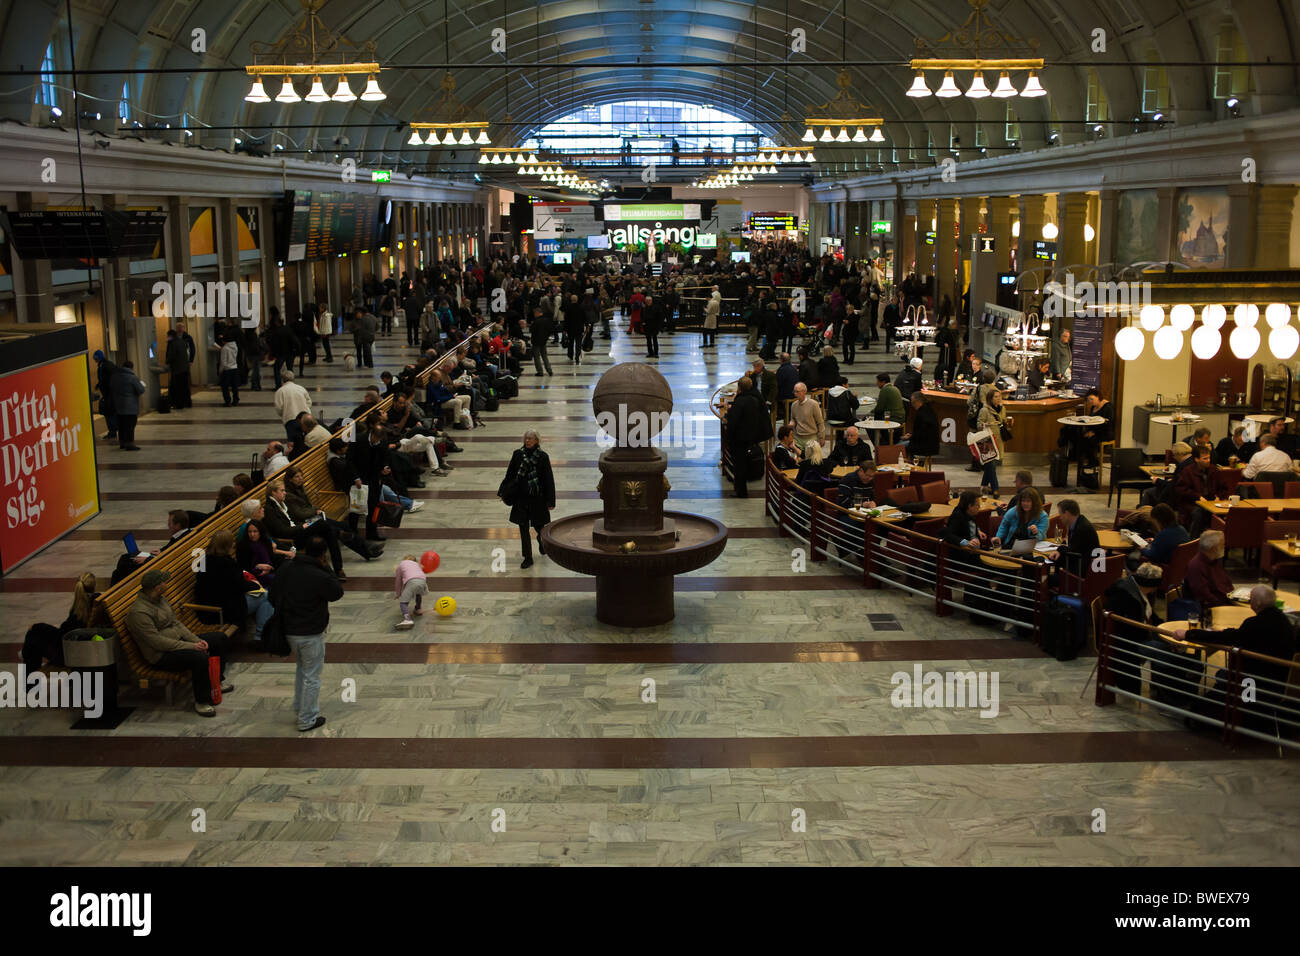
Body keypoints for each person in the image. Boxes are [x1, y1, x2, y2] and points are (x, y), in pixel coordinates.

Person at [125, 569, 232, 718]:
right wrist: (192, 646)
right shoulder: (139, 613)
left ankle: (217, 682)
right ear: (157, 587)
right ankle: (202, 701)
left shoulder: (161, 599)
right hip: (161, 656)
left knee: (219, 638)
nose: (166, 583)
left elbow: (177, 623)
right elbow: (157, 643)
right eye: (164, 581)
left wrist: (196, 640)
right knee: (199, 657)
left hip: (177, 643)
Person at [269, 534, 344, 732]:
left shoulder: (286, 568)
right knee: (312, 676)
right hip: (310, 633)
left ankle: (299, 706)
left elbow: (272, 595)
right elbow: (337, 592)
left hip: (289, 630)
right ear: (323, 555)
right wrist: (326, 567)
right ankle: (307, 719)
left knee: (302, 669)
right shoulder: (319, 574)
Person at [194, 530, 274, 643]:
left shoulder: (205, 561)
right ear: (227, 545)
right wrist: (255, 585)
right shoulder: (225, 564)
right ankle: (260, 636)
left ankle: (261, 637)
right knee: (267, 595)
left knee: (265, 597)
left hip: (209, 607)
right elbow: (238, 585)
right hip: (222, 611)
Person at [20, 571, 98, 673]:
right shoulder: (95, 603)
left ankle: (30, 683)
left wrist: (37, 626)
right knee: (34, 638)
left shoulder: (77, 614)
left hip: (69, 656)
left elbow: (60, 636)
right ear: (94, 587)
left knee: (32, 639)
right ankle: (26, 655)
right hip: (79, 649)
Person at [500, 430, 556, 569]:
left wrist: (551, 501)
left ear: (537, 440)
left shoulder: (542, 457)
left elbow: (548, 479)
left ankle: (541, 542)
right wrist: (504, 490)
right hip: (521, 498)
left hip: (537, 498)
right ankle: (528, 557)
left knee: (539, 527)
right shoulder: (518, 454)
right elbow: (510, 474)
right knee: (523, 528)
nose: (527, 441)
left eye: (530, 439)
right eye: (526, 438)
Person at [725, 377, 772, 498]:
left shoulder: (740, 401)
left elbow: (733, 421)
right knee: (744, 464)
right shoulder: (754, 399)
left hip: (739, 439)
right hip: (751, 437)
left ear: (739, 388)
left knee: (739, 466)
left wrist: (728, 436)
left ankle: (741, 492)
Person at [1172, 444, 1220, 528]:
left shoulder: (1214, 470)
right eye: (1205, 458)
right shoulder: (1187, 471)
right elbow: (1181, 489)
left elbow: (1223, 487)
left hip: (1212, 502)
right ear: (1196, 459)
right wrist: (1197, 496)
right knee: (1198, 513)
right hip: (1192, 503)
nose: (1208, 460)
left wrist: (1218, 496)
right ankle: (1194, 538)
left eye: (1209, 458)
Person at [1051, 499, 1098, 578]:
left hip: (1082, 573)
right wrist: (1060, 549)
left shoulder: (1082, 528)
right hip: (1080, 564)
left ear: (1066, 513)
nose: (1060, 517)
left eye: (1060, 514)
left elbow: (1073, 551)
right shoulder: (1078, 522)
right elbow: (1072, 546)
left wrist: (1059, 550)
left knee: (1047, 579)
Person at [1184, 530, 1233, 607]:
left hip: (1226, 601)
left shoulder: (1214, 561)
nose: (1224, 547)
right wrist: (1225, 605)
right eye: (1222, 545)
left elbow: (1227, 583)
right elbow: (1204, 596)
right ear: (1213, 548)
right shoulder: (1196, 566)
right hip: (1213, 607)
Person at [976, 386, 1010, 494]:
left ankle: (984, 486)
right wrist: (984, 425)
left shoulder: (1002, 409)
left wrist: (1009, 424)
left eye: (999, 396)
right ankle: (995, 489)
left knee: (991, 466)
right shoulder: (984, 410)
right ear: (990, 399)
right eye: (996, 397)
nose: (998, 398)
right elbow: (978, 425)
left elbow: (1004, 422)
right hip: (988, 441)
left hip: (999, 440)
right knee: (991, 465)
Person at [237, 518, 286, 588]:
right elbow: (243, 568)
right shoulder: (243, 546)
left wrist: (270, 568)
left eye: (255, 531)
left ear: (260, 532)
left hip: (271, 571)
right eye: (249, 532)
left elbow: (272, 559)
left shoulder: (265, 542)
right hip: (254, 576)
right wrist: (257, 567)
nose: (252, 534)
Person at [109, 359, 146, 451]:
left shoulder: (114, 377)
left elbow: (111, 388)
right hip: (130, 407)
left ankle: (122, 442)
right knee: (130, 425)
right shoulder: (132, 378)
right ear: (131, 367)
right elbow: (141, 390)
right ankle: (130, 444)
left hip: (118, 405)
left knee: (121, 425)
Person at [904, 391, 940, 466]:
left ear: (918, 402)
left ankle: (912, 466)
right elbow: (922, 431)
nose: (912, 405)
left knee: (902, 446)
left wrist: (910, 437)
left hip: (925, 446)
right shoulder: (929, 410)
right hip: (933, 444)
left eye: (913, 403)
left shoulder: (921, 414)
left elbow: (919, 434)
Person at [393, 554, 429, 629]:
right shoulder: (417, 565)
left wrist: (398, 593)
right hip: (423, 581)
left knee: (403, 602)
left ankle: (407, 619)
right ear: (415, 561)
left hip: (412, 581)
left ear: (404, 559)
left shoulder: (401, 565)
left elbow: (398, 581)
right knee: (418, 594)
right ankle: (418, 609)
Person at [274, 371, 312, 439]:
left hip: (290, 419)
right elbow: (309, 402)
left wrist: (285, 413)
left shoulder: (280, 391)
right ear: (293, 379)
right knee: (306, 440)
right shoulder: (301, 388)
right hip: (305, 418)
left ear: (283, 380)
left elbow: (279, 408)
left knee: (293, 442)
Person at [788, 382, 826, 452]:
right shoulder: (794, 405)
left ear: (804, 391)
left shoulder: (813, 404)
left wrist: (822, 437)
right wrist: (791, 423)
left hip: (811, 437)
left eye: (797, 391)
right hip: (798, 437)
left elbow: (820, 422)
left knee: (811, 461)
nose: (795, 394)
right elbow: (793, 419)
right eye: (794, 391)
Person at [92, 350, 118, 440]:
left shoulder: (105, 365)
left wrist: (104, 386)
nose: (94, 360)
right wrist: (99, 384)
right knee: (110, 412)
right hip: (109, 393)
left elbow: (107, 378)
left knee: (109, 412)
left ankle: (113, 431)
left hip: (109, 394)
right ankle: (113, 430)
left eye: (95, 358)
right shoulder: (104, 365)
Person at [164, 327, 192, 410]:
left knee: (177, 388)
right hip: (185, 369)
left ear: (170, 336)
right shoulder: (182, 341)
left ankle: (179, 404)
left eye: (168, 336)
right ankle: (187, 402)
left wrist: (167, 362)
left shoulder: (173, 343)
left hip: (177, 369)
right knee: (185, 387)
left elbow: (171, 356)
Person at [530, 306, 554, 376]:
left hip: (536, 341)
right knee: (544, 356)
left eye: (534, 313)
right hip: (543, 341)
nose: (534, 315)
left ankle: (540, 371)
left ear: (537, 313)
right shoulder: (547, 320)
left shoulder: (536, 321)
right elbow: (550, 330)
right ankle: (549, 370)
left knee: (536, 357)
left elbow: (531, 330)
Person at [643, 294, 663, 358]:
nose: (648, 302)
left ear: (651, 301)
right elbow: (642, 316)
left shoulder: (656, 307)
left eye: (649, 300)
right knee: (648, 340)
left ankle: (656, 353)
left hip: (654, 326)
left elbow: (659, 317)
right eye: (647, 301)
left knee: (654, 340)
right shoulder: (644, 308)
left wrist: (659, 326)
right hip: (647, 326)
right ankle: (650, 353)